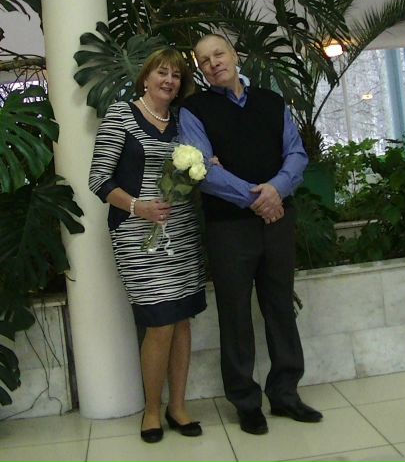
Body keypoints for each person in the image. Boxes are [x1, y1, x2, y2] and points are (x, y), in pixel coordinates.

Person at [179, 34, 323, 435]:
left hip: (278, 222)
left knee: (280, 307)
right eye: (204, 60)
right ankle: (245, 401)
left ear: (235, 55)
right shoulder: (194, 110)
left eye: (218, 54)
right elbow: (201, 170)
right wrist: (259, 198)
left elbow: (296, 153)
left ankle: (286, 393)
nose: (213, 63)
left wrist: (277, 189)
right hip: (228, 228)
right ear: (201, 69)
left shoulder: (271, 102)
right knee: (235, 314)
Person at [89, 48, 206, 444]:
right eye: (162, 72)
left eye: (176, 75)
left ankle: (179, 407)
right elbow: (99, 180)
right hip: (138, 237)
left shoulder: (183, 122)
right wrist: (138, 207)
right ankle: (152, 410)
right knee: (159, 323)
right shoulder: (121, 116)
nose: (169, 80)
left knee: (182, 320)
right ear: (145, 77)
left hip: (182, 233)